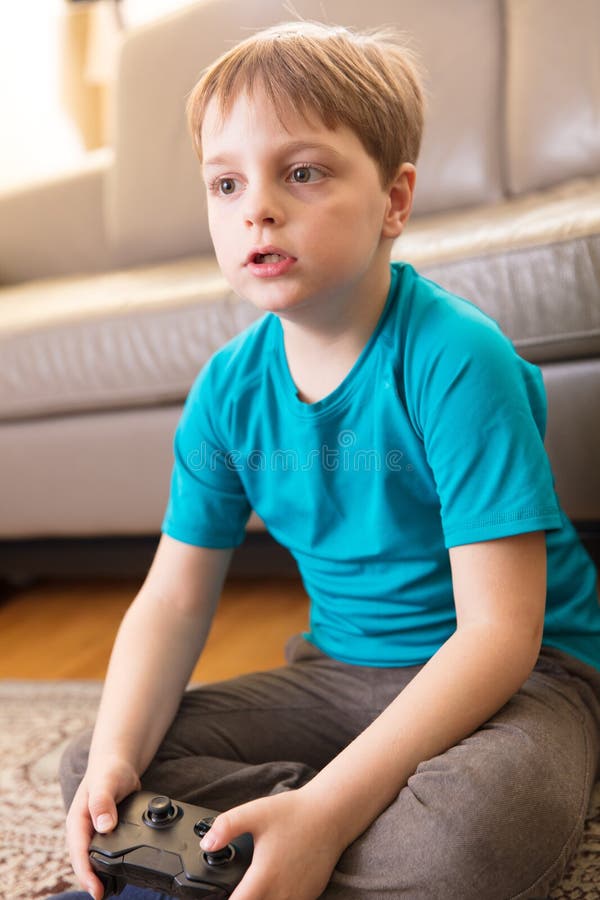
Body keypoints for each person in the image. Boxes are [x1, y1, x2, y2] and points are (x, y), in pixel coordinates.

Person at [53, 20, 600, 900]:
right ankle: (313, 829)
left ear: (394, 200)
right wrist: (120, 754)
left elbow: (500, 636)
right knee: (96, 769)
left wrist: (331, 806)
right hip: (339, 676)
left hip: (521, 677)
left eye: (302, 173)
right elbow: (174, 600)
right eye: (226, 183)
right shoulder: (226, 392)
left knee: (472, 834)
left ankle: (298, 834)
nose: (257, 208)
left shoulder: (458, 358)